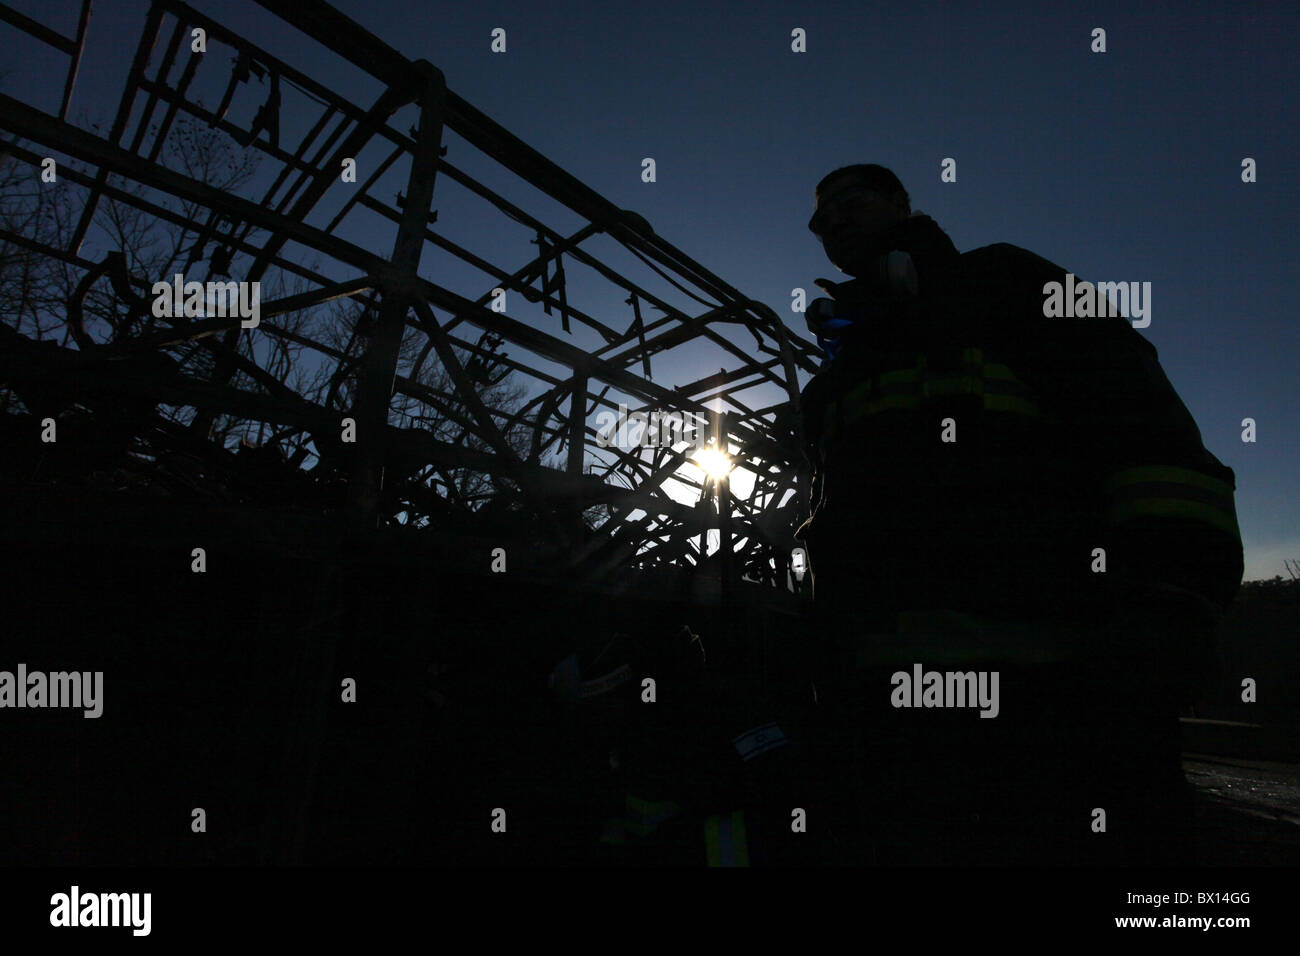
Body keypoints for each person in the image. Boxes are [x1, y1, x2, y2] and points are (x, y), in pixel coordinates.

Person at [794, 164, 1244, 864]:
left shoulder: (1005, 282)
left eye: (855, 203)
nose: (837, 224)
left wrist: (1171, 599)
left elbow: (1147, 431)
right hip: (883, 709)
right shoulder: (840, 373)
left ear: (903, 204)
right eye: (823, 221)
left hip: (1056, 696)